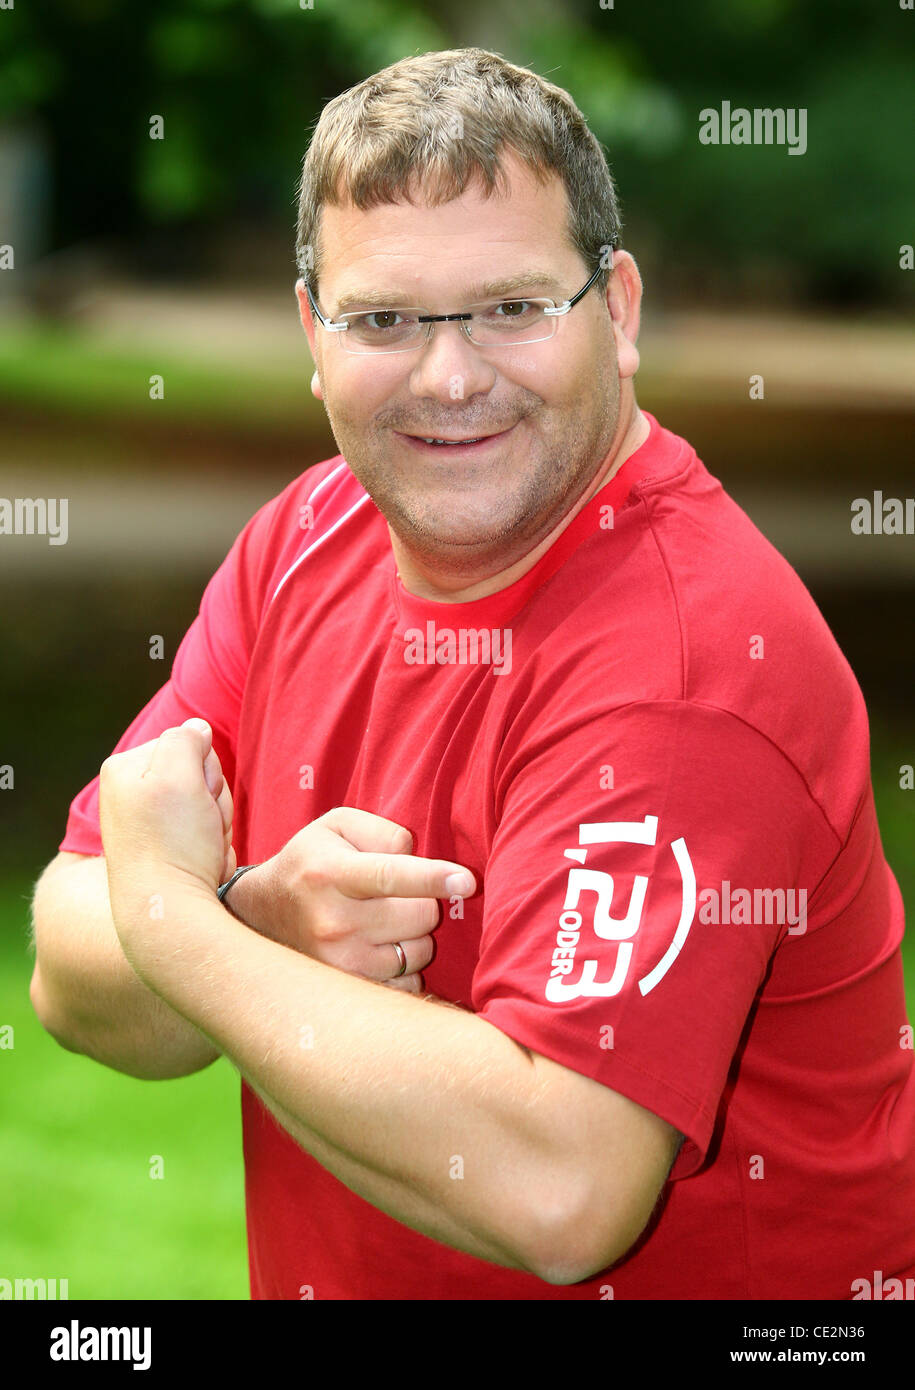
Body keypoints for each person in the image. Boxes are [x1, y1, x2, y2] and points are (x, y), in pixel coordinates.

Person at [30, 47, 915, 1301]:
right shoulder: (309, 535)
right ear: (314, 334)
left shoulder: (686, 663)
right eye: (384, 320)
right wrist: (259, 921)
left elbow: (560, 1189)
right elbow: (66, 973)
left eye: (511, 307)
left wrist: (180, 918)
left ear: (618, 311)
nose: (450, 377)